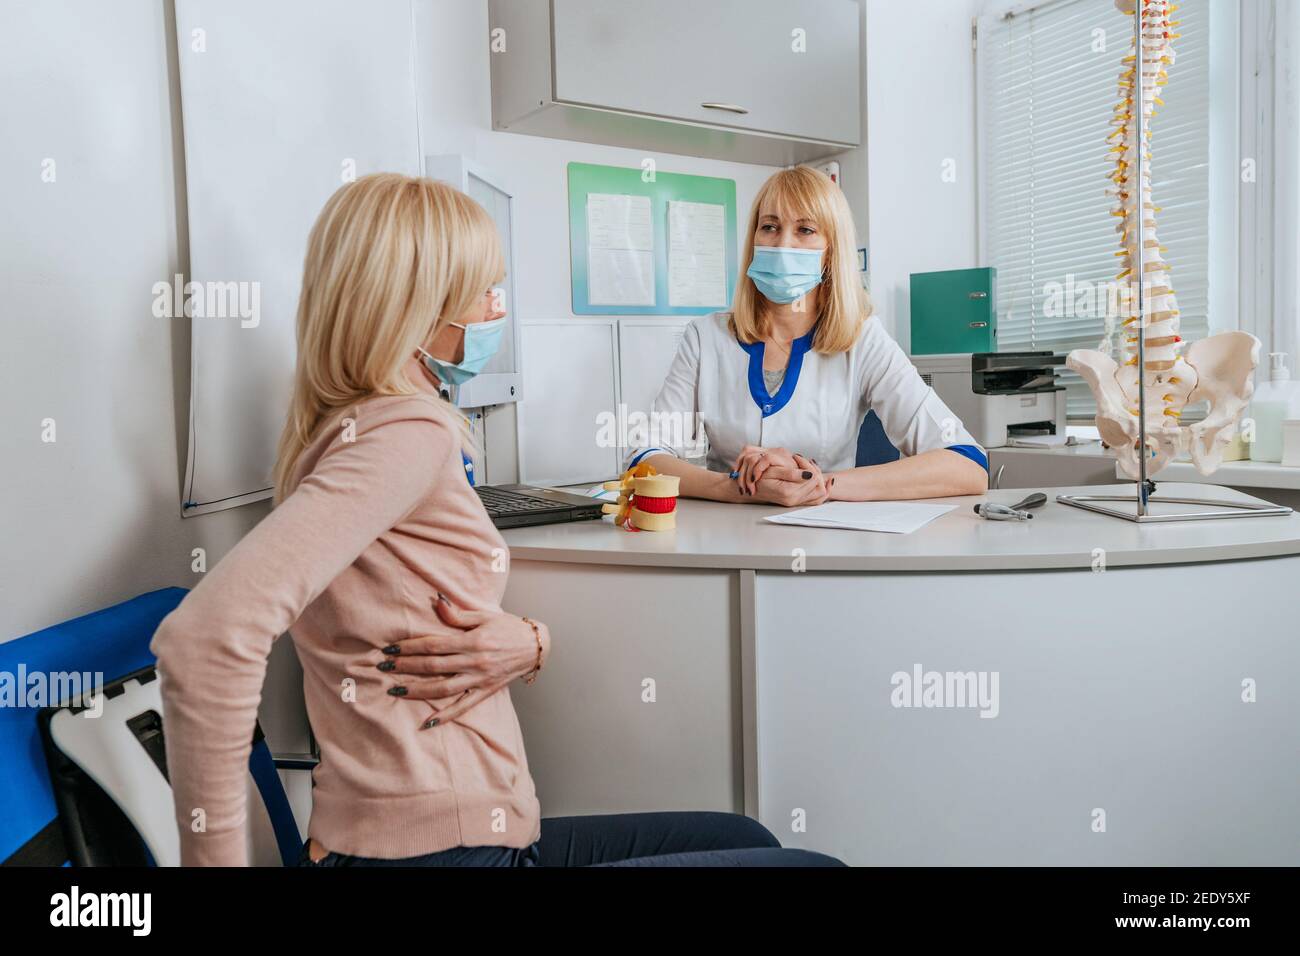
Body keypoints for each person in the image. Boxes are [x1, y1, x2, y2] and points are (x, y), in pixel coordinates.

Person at [150, 173, 840, 867]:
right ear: (417, 308)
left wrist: (529, 640)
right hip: (443, 851)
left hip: (468, 832)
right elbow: (203, 640)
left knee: (749, 840)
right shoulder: (406, 433)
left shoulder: (345, 429)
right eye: (483, 292)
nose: (494, 311)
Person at [627, 165, 988, 507]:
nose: (783, 243)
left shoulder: (862, 338)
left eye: (805, 230)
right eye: (769, 226)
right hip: (727, 540)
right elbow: (644, 459)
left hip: (828, 542)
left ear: (831, 252)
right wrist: (741, 489)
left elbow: (967, 463)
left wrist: (819, 484)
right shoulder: (705, 337)